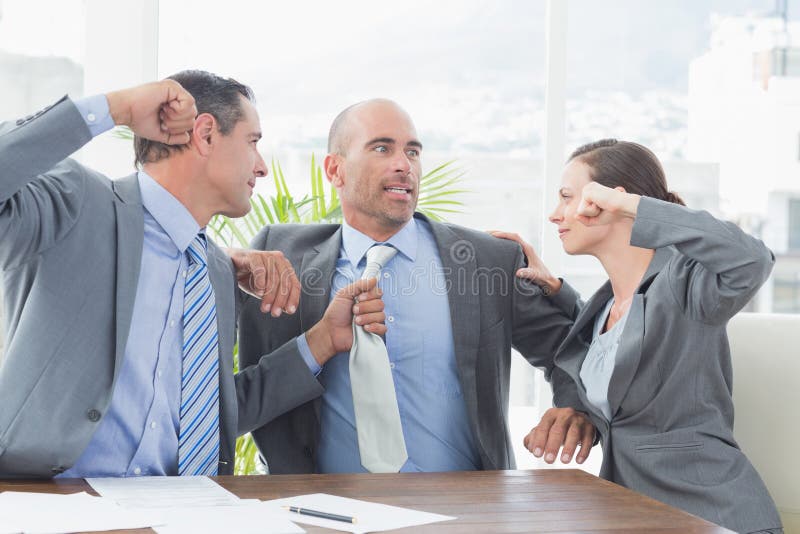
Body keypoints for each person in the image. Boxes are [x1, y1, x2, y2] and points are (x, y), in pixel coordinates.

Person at [0, 70, 384, 478]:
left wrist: (321, 341)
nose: (262, 167)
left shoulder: (216, 271)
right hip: (53, 501)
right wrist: (118, 108)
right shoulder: (78, 202)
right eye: (253, 142)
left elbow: (210, 412)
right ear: (204, 134)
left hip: (183, 509)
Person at [237, 98, 595, 475]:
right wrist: (316, 344)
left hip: (466, 513)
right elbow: (229, 400)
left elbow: (569, 350)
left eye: (413, 151)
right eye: (381, 148)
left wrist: (573, 407)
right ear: (335, 169)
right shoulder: (277, 257)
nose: (403, 165)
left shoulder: (487, 261)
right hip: (323, 513)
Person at [499, 139, 782, 533]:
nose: (555, 214)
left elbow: (752, 260)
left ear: (610, 201)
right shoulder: (601, 312)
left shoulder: (685, 283)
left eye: (567, 197)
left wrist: (631, 205)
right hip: (635, 516)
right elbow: (611, 353)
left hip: (714, 516)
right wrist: (555, 290)